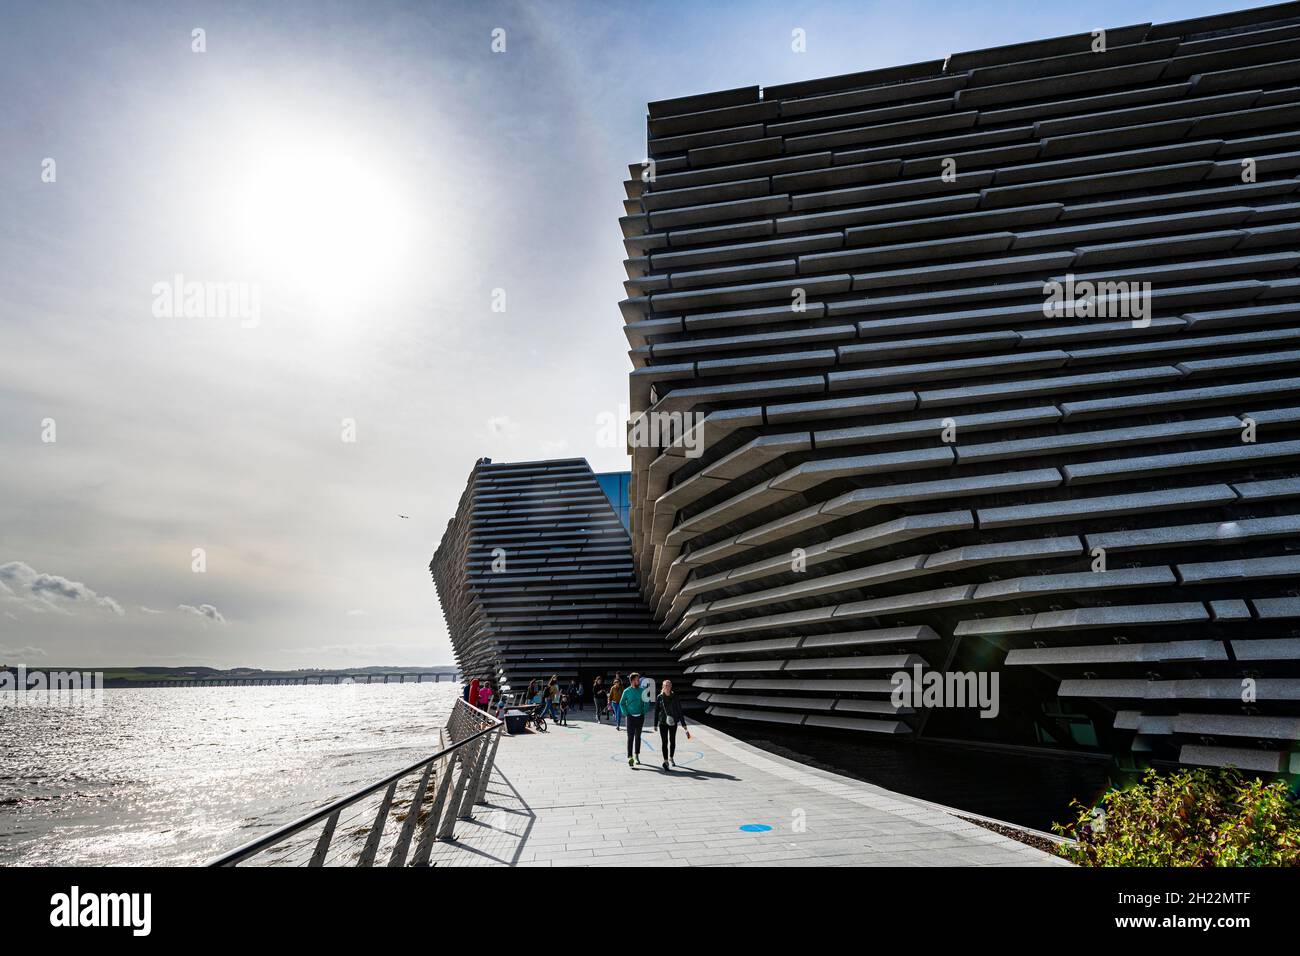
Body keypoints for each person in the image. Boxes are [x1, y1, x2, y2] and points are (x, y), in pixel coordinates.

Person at [655, 679, 689, 770]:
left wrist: (683, 724)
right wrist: (655, 724)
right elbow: (656, 711)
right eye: (666, 685)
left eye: (669, 685)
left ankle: (671, 757)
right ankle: (665, 761)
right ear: (663, 687)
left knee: (672, 741)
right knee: (664, 742)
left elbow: (679, 710)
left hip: (673, 722)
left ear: (671, 687)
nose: (667, 687)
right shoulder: (659, 697)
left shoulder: (675, 697)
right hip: (662, 722)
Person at [620, 672, 647, 766]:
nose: (638, 681)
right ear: (632, 681)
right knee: (630, 737)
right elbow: (622, 703)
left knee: (638, 737)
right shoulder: (626, 691)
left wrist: (644, 711)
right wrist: (626, 713)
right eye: (636, 679)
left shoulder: (642, 690)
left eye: (638, 679)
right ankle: (630, 757)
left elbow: (646, 702)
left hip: (640, 717)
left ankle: (637, 756)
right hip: (630, 717)